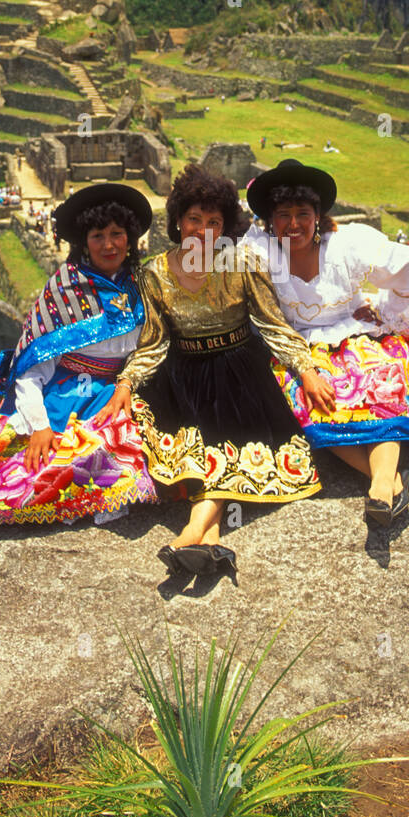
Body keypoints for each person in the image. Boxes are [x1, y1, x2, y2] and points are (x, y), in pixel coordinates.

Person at [94, 163, 334, 578]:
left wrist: (306, 370)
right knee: (196, 453)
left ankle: (190, 535)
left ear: (225, 227)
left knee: (224, 450)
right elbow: (154, 341)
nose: (202, 230)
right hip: (183, 380)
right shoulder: (152, 273)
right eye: (194, 219)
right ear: (178, 221)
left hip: (241, 376)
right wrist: (126, 384)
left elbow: (272, 324)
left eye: (214, 222)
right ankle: (210, 542)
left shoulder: (241, 263)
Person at [0, 184, 158, 562]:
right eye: (98, 236)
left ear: (131, 238)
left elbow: (150, 346)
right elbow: (29, 371)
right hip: (61, 392)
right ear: (83, 242)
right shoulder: (64, 291)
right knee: (21, 458)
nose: (109, 245)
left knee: (118, 449)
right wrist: (40, 424)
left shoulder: (140, 285)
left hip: (113, 392)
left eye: (117, 234)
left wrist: (127, 381)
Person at [243, 160, 409, 527]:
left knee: (381, 384)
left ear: (318, 215)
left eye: (303, 213)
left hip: (354, 334)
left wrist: (387, 309)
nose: (294, 224)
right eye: (283, 215)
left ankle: (380, 486)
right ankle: (390, 480)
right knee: (305, 402)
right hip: (298, 347)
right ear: (270, 220)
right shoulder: (259, 255)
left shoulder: (346, 246)